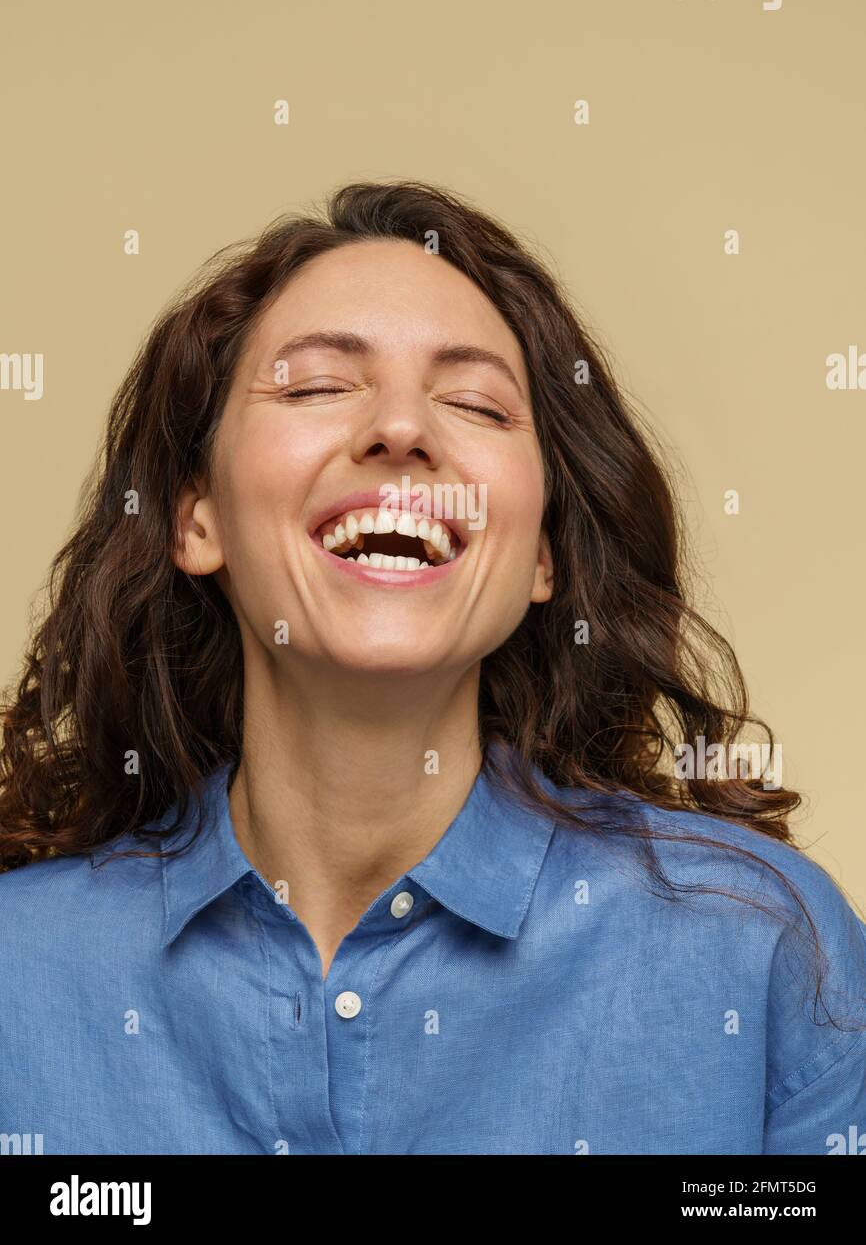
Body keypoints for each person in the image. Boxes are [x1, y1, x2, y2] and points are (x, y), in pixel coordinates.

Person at [1, 180, 864, 1155]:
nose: (400, 428)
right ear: (197, 516)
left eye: (473, 401)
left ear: (541, 555)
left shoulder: (756, 946)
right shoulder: (14, 972)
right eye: (317, 384)